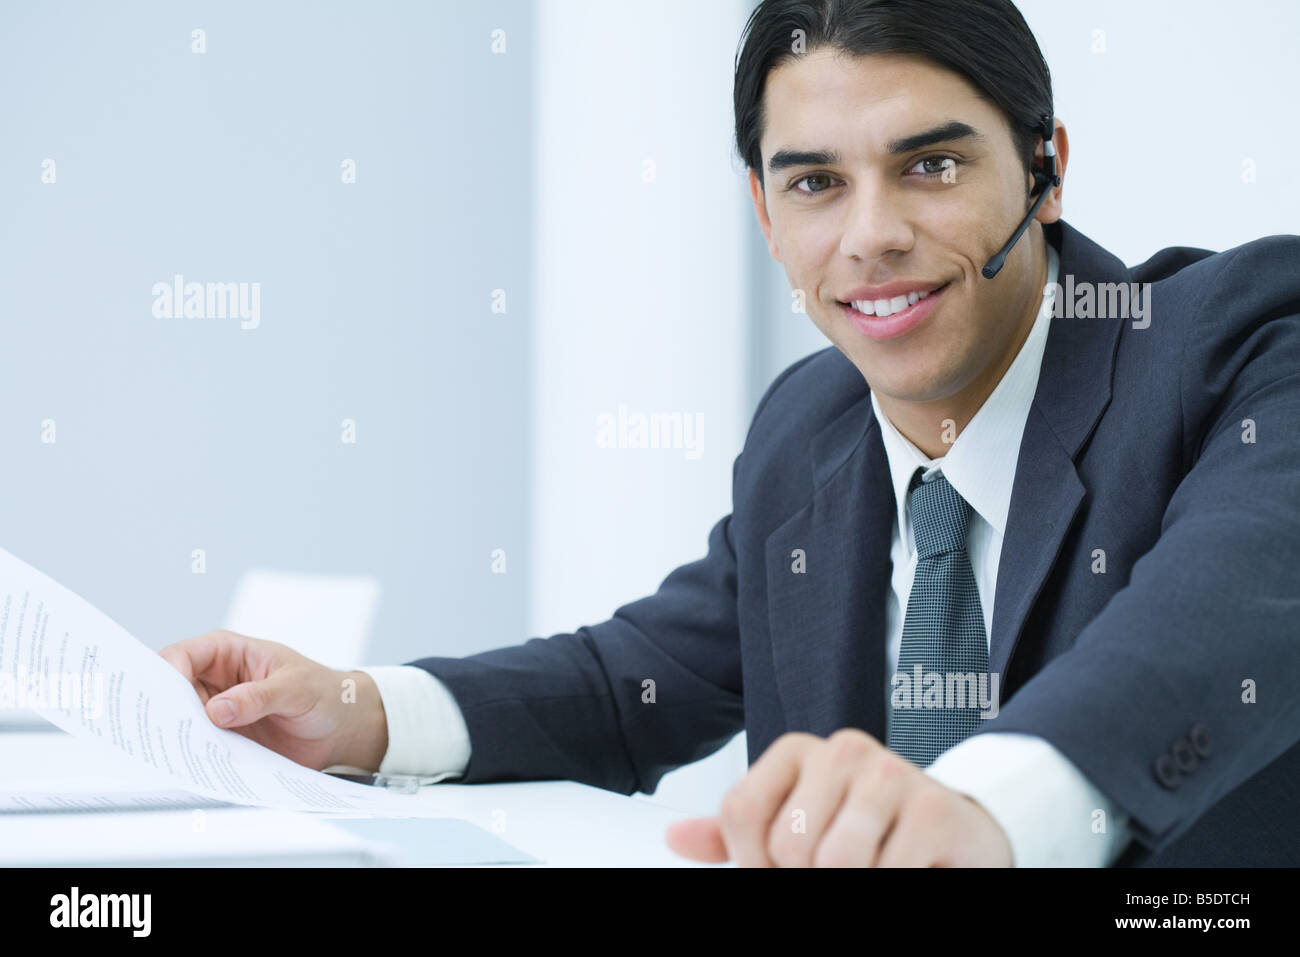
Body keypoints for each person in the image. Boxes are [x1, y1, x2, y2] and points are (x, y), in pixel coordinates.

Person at [161, 0, 1300, 867]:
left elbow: (1226, 613)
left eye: (932, 166)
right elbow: (631, 683)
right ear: (764, 210)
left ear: (1045, 173)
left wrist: (981, 813)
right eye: (814, 185)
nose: (870, 238)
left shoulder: (1236, 343)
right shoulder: (807, 432)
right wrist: (350, 712)